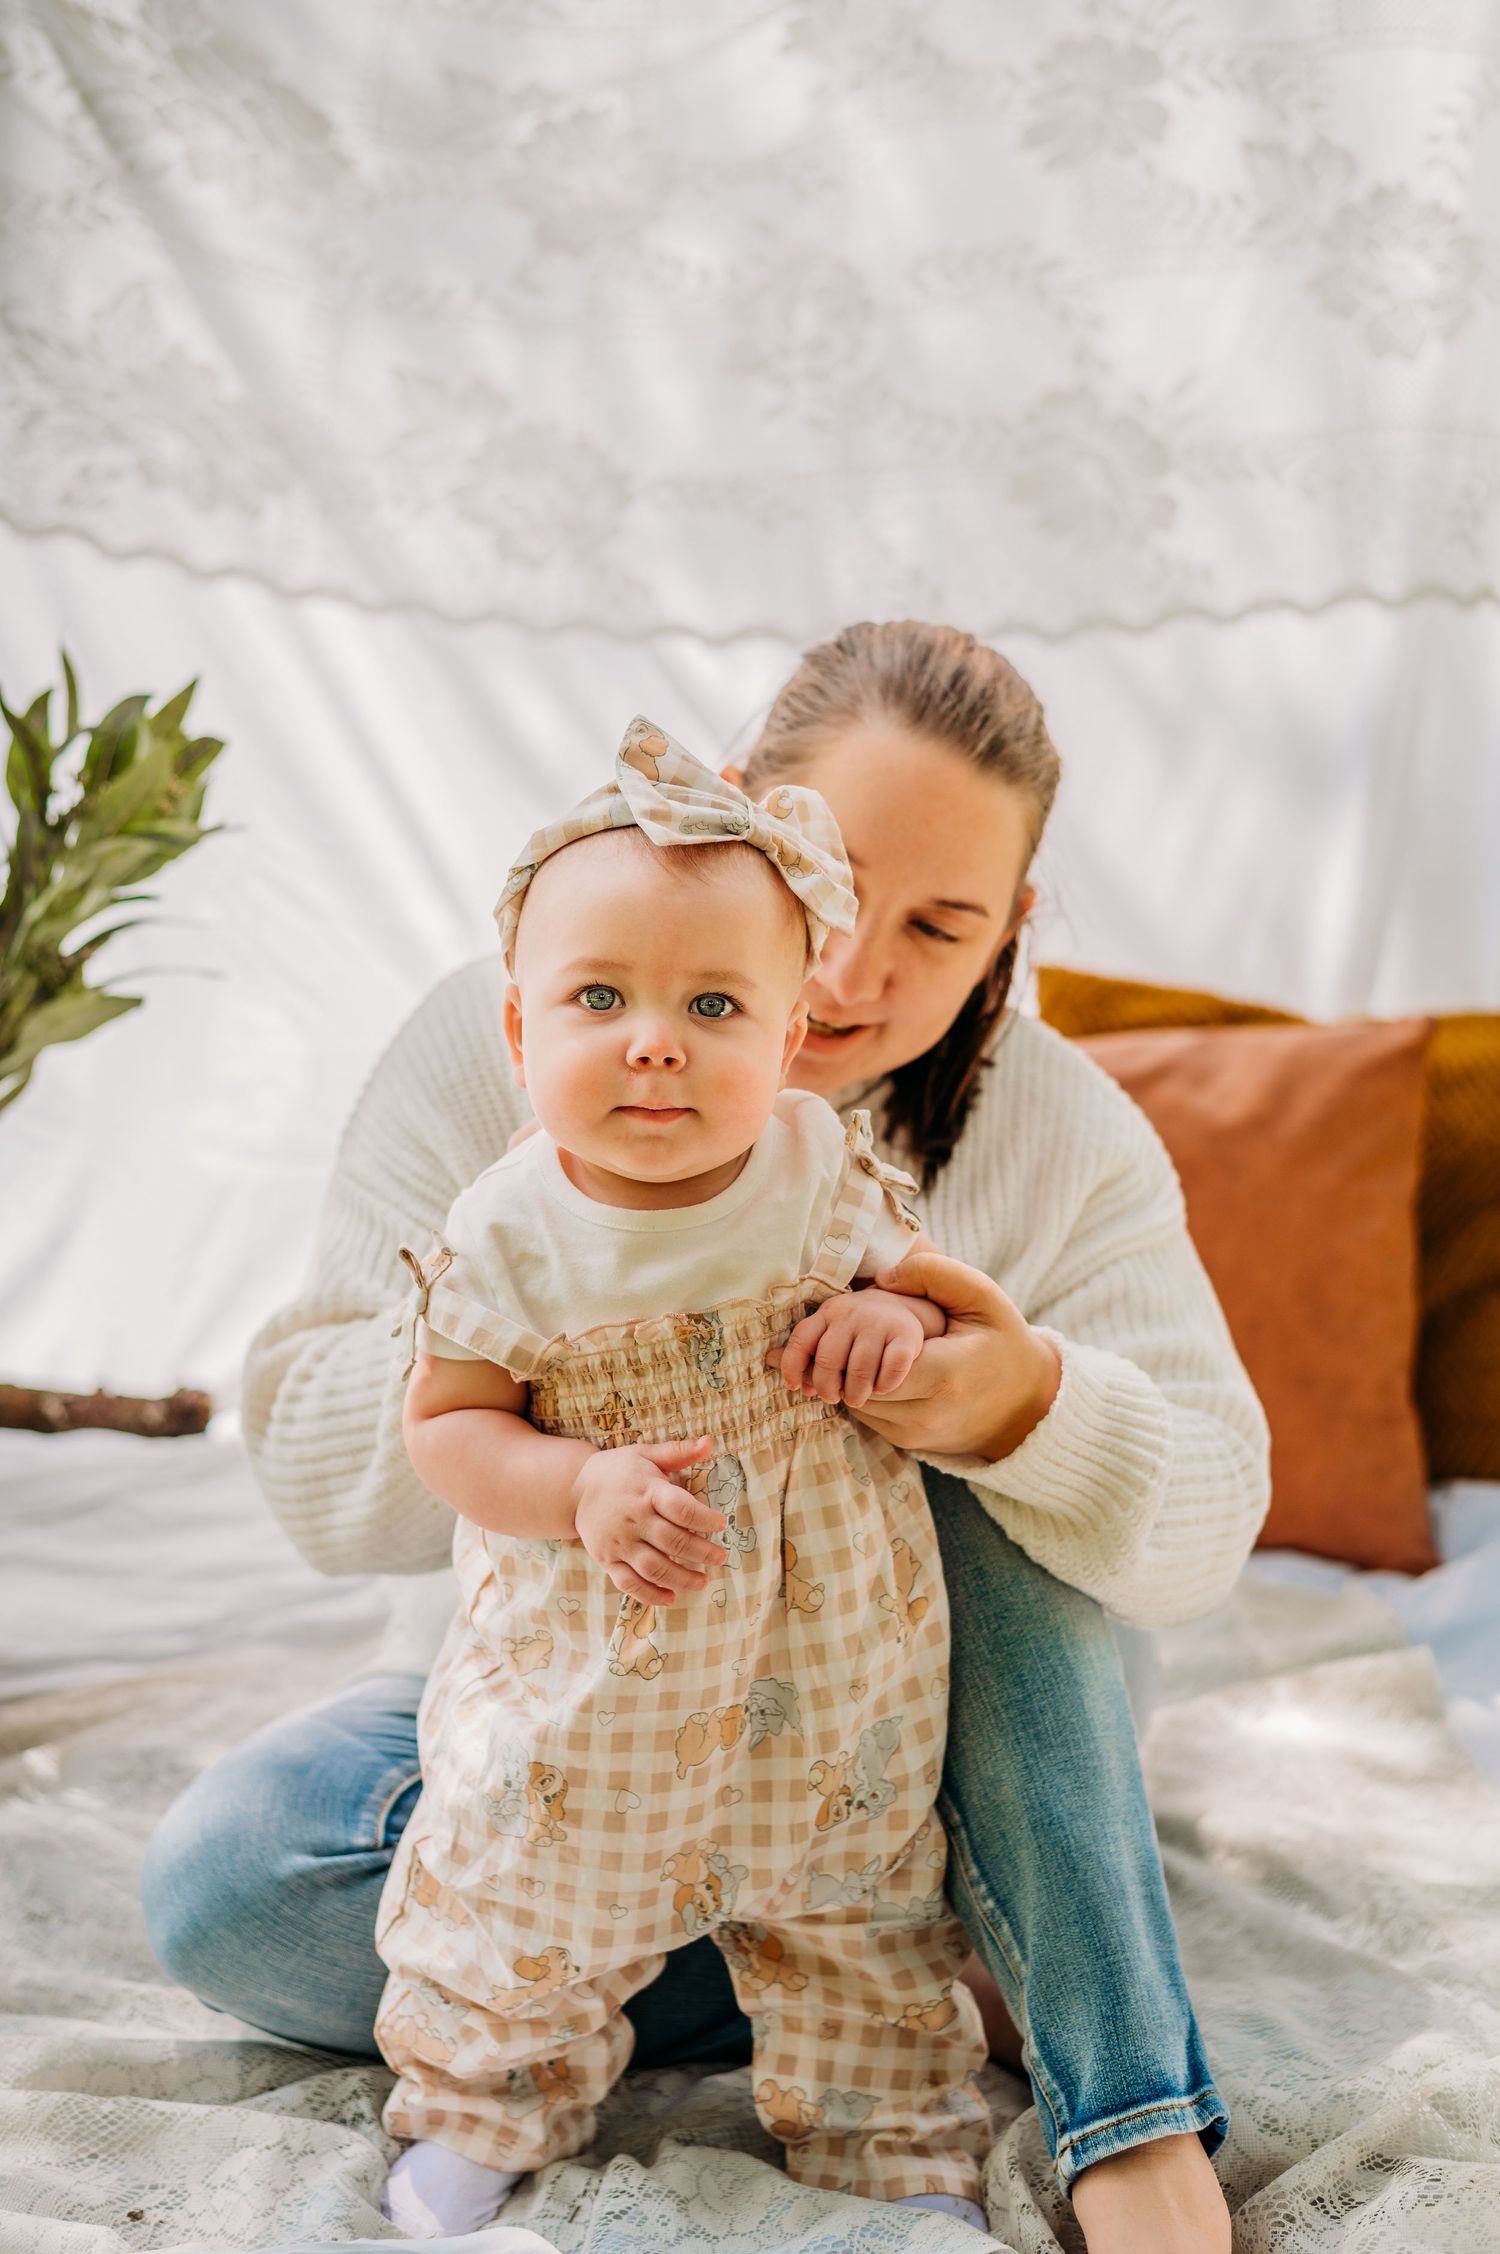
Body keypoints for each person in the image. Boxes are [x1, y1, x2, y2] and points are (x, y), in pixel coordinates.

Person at [141, 621, 1270, 2254]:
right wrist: (558, 1295)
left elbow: (1216, 1515)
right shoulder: (531, 1028)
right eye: (829, 880)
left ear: (1012, 933)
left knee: (938, 1466)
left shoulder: (1060, 1128)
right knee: (231, 1880)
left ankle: (1120, 2097)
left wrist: (1020, 1406)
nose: (854, 970)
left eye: (938, 925)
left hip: (906, 1737)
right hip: (577, 1704)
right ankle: (852, 1959)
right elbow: (327, 1477)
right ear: (735, 818)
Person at [374, 713, 995, 2235]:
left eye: (714, 1003)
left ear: (787, 1043)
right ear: (521, 1034)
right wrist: (573, 1485)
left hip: (832, 1648)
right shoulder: (509, 1225)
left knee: (861, 1897)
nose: (655, 1037)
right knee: (524, 1880)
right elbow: (447, 1425)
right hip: (600, 1651)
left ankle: (896, 2147)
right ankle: (488, 2102)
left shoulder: (815, 1168)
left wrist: (888, 1310)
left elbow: (930, 1288)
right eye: (601, 996)